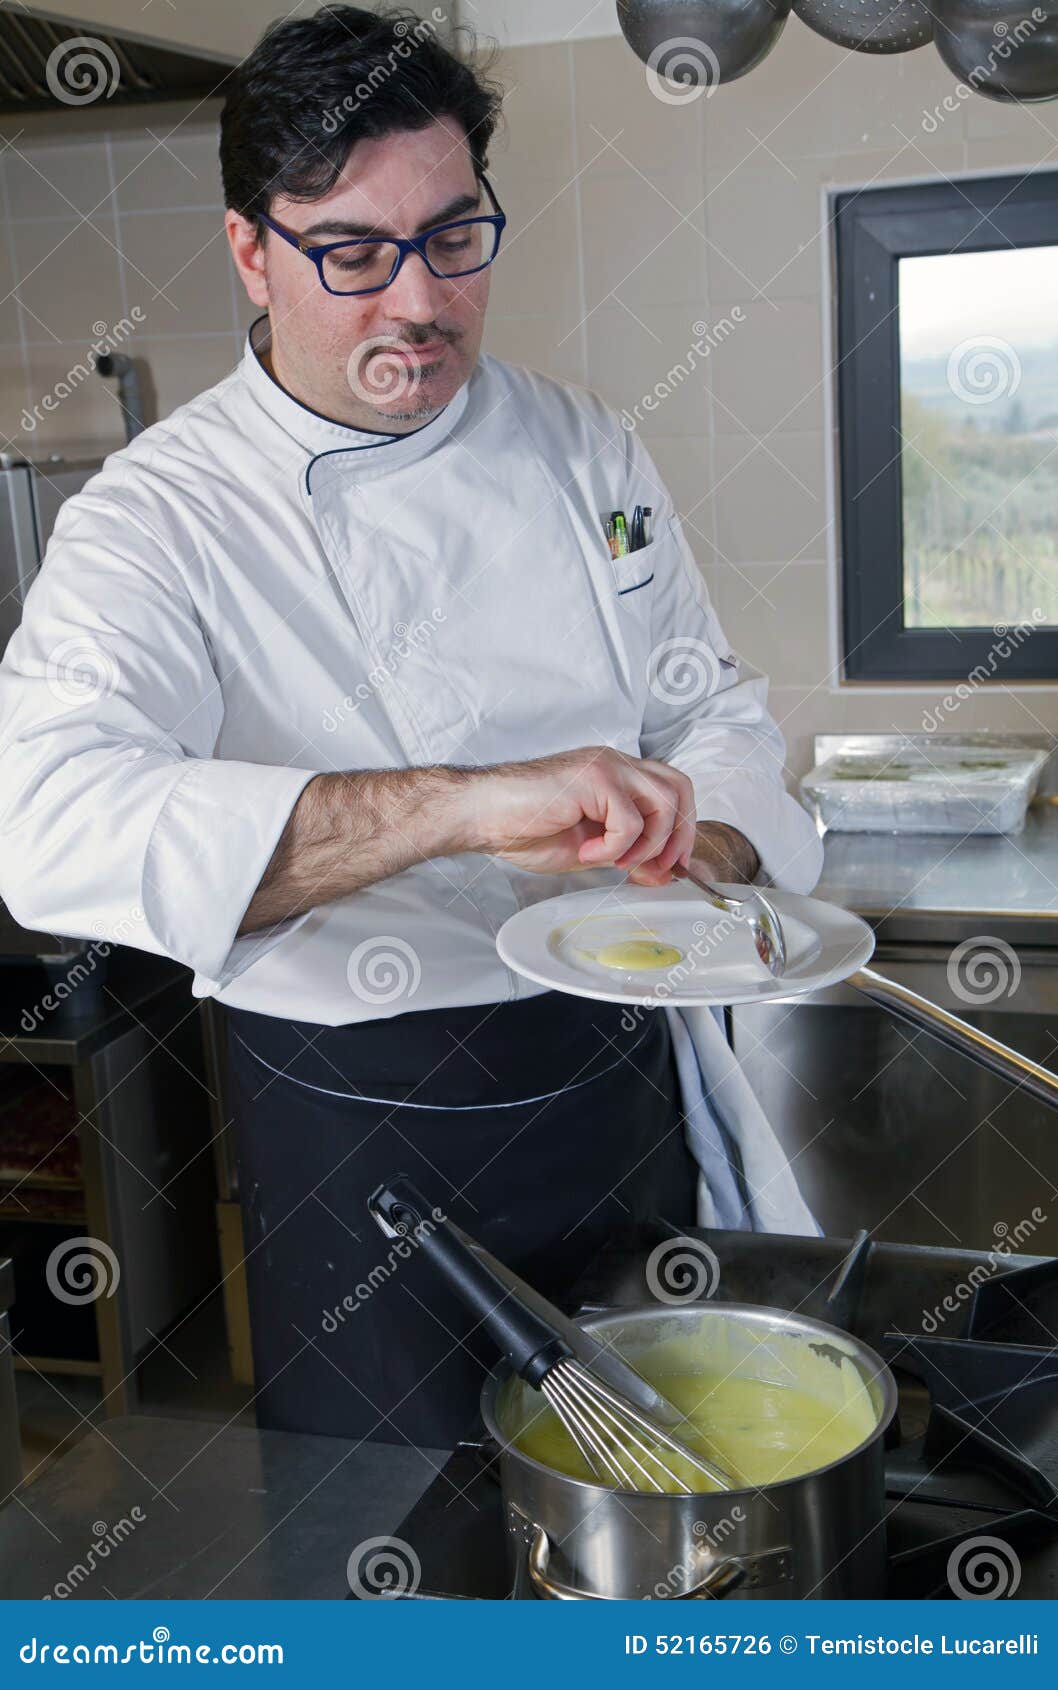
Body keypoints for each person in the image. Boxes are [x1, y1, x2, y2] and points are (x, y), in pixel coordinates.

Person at [0, 6, 821, 1446]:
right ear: (252, 250)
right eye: (352, 253)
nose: (419, 303)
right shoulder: (161, 514)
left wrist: (720, 842)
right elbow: (45, 821)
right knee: (400, 1560)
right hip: (359, 1132)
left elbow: (706, 700)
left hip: (614, 1083)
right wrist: (462, 805)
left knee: (671, 1514)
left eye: (454, 238)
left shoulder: (582, 450)